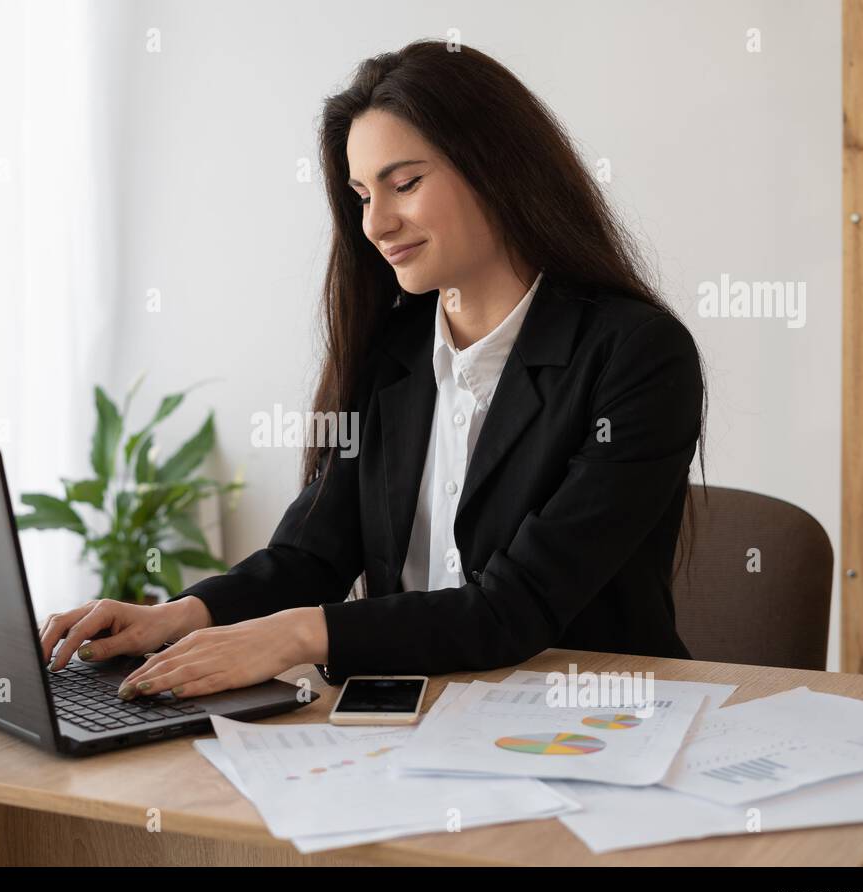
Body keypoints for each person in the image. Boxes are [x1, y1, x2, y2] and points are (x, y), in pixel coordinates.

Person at [39, 39, 706, 702]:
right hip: (410, 719)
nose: (377, 223)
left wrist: (297, 635)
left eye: (405, 183)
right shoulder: (392, 350)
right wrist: (176, 615)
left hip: (586, 729)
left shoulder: (640, 357)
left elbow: (514, 608)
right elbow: (312, 555)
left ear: (498, 168)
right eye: (361, 195)